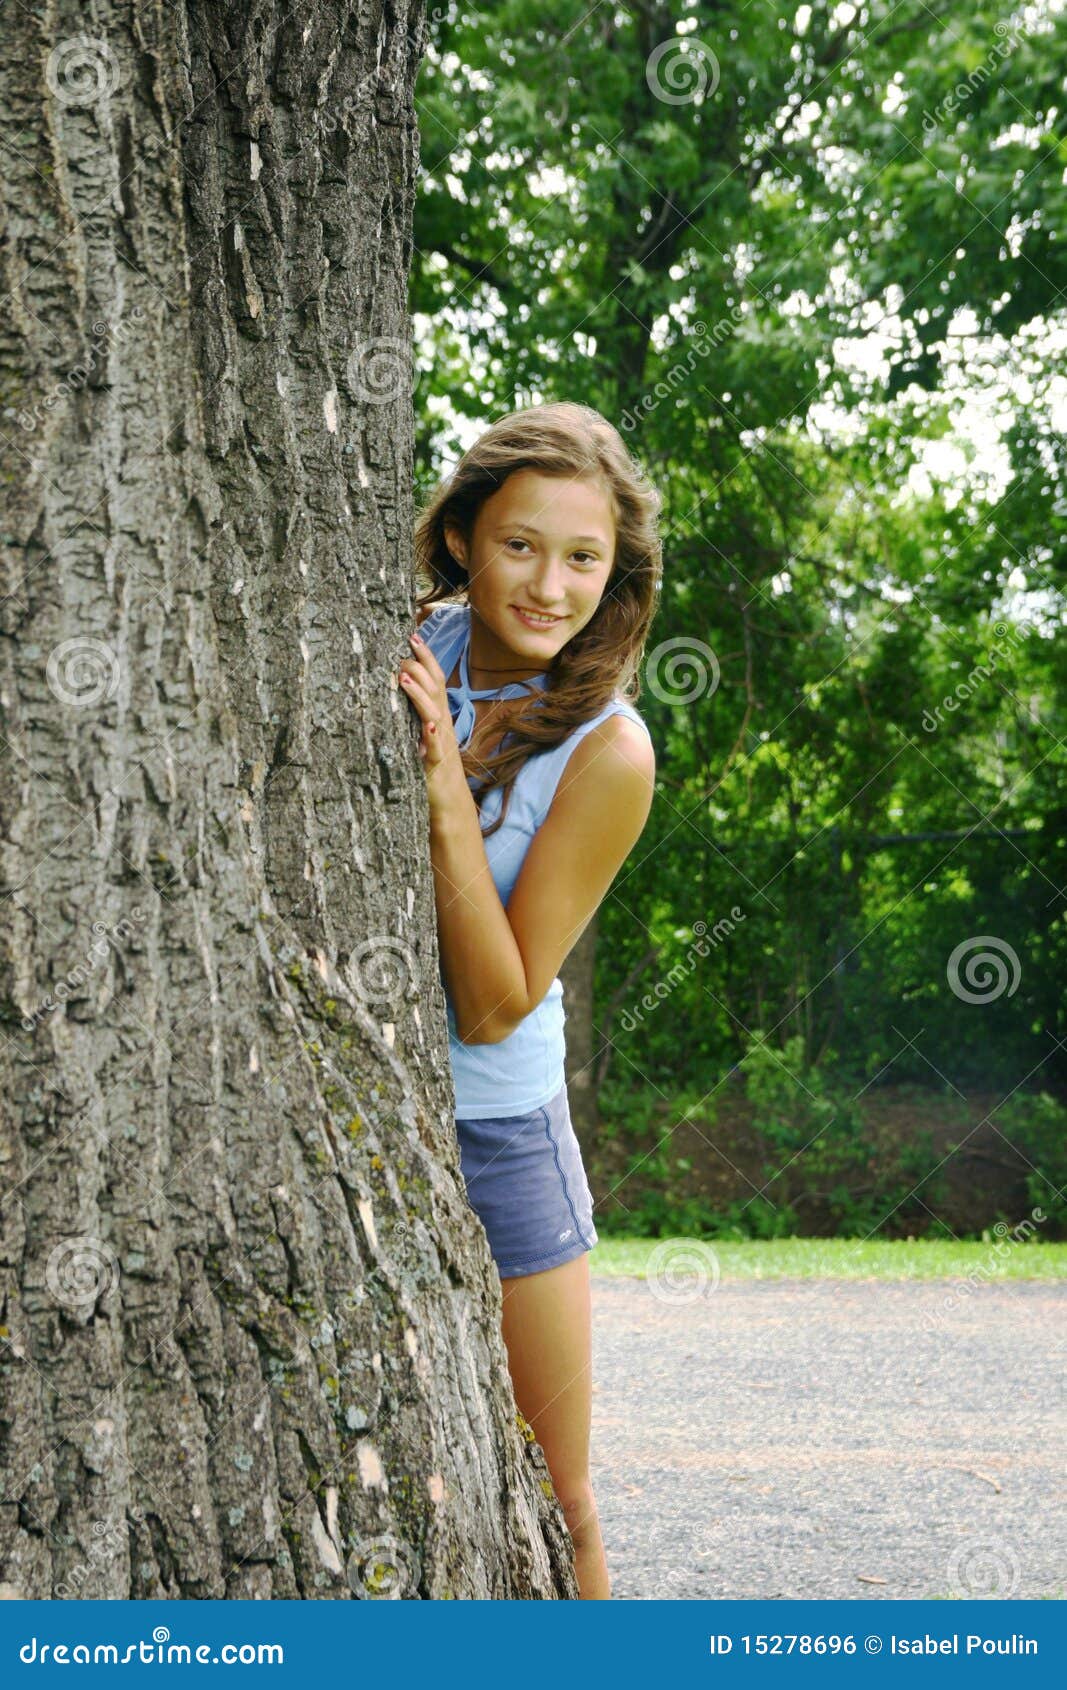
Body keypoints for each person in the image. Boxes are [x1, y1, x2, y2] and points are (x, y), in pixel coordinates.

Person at [397, 400, 661, 1599]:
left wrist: (447, 788)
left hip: (498, 1132)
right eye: (519, 544)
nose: (548, 585)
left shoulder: (606, 750)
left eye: (581, 557)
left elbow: (498, 1003)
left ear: (614, 575)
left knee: (557, 1493)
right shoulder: (416, 645)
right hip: (368, 1115)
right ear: (460, 535)